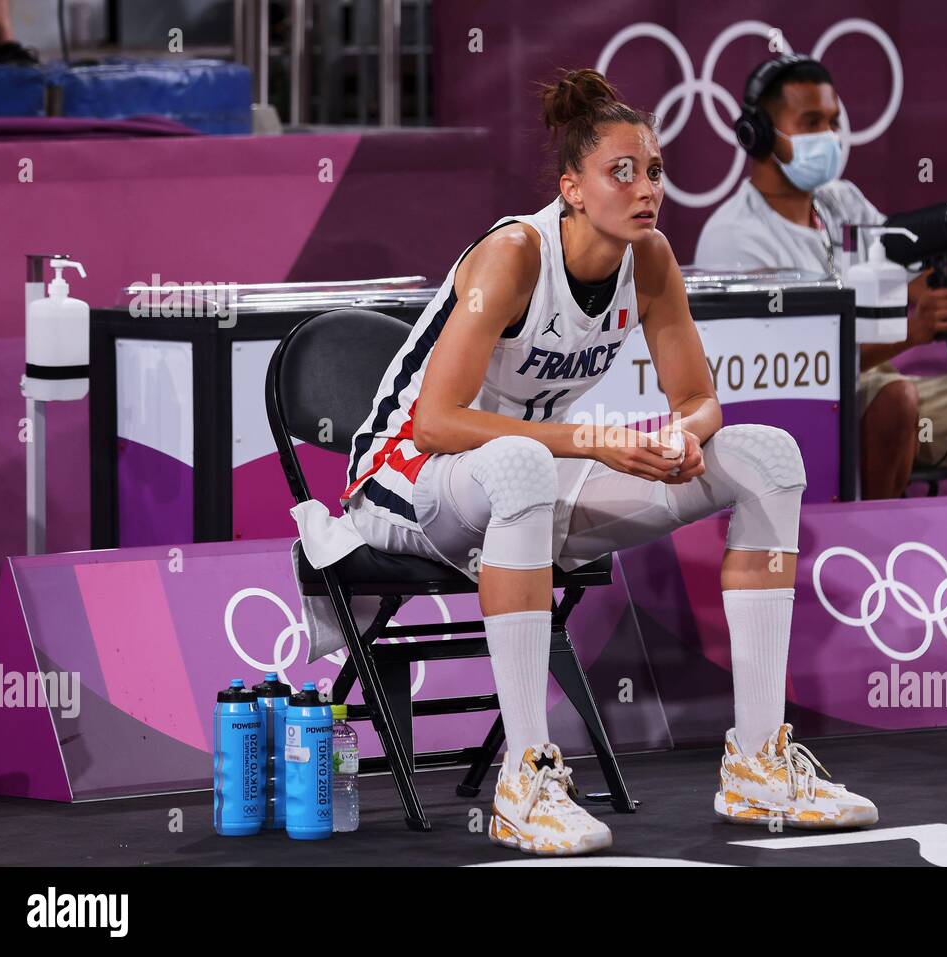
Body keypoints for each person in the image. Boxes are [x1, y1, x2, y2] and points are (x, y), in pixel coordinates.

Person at [294, 68, 878, 856]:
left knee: (768, 456)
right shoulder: (514, 255)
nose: (647, 189)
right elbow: (433, 422)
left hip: (523, 487)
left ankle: (758, 759)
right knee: (523, 467)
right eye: (622, 172)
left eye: (657, 171)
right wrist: (599, 441)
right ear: (572, 187)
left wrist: (681, 439)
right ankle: (525, 780)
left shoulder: (652, 260)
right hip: (407, 485)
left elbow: (700, 400)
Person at [694, 55, 947, 499]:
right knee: (894, 400)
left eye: (833, 121)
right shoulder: (734, 237)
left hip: (885, 396)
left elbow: (928, 282)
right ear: (759, 134)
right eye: (811, 122)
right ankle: (871, 555)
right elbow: (782, 375)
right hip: (799, 418)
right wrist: (911, 333)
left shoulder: (841, 201)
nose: (828, 137)